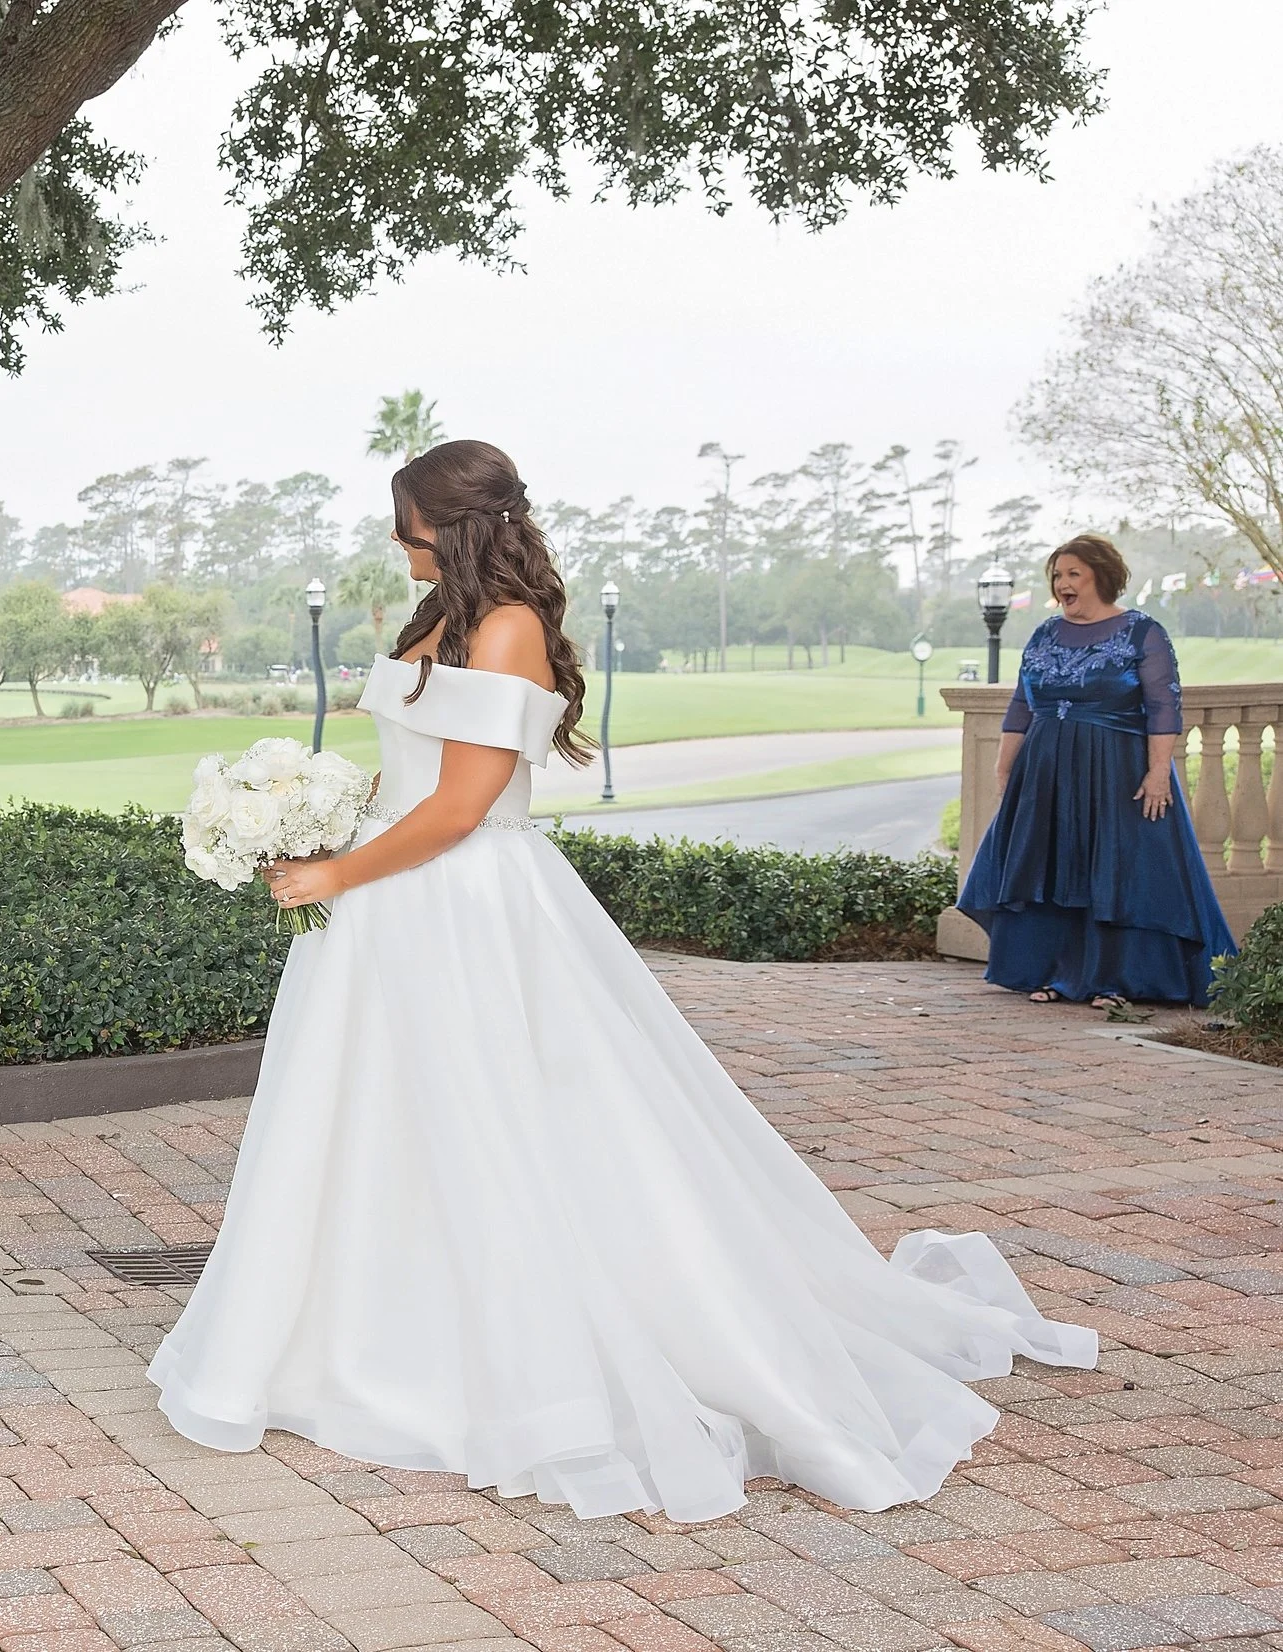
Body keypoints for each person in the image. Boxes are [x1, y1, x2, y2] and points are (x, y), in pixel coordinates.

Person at [147, 440, 1097, 1523]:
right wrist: (314, 804)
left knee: (506, 1121)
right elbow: (409, 769)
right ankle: (351, 1331)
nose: (394, 538)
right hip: (389, 904)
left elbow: (462, 807)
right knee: (378, 1123)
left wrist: (333, 866)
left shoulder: (504, 631)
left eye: (406, 521)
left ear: (450, 529)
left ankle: (522, 1352)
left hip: (466, 904)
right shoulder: (430, 620)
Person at [960, 534, 1235, 1006]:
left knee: (1116, 873)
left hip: (1117, 773)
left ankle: (1117, 980)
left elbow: (1164, 707)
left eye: (1073, 575)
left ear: (1100, 579)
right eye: (1057, 576)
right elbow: (1022, 704)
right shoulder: (1044, 633)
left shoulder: (1141, 631)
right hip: (1046, 772)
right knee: (1048, 870)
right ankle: (1050, 972)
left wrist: (1157, 773)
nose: (1062, 584)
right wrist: (1005, 767)